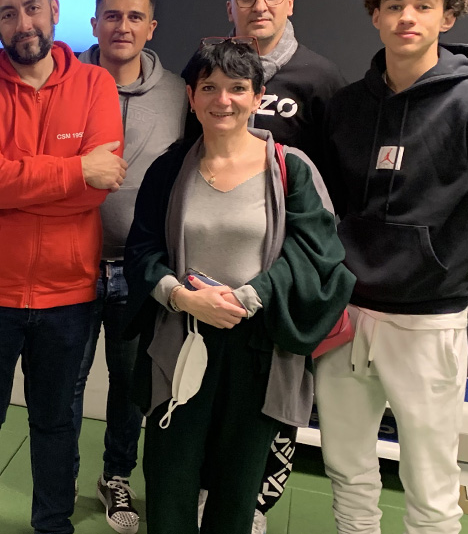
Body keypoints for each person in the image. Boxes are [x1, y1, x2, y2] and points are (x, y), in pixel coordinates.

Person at [316, 0, 468, 534]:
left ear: (448, 16)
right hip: (346, 314)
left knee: (430, 480)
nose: (407, 17)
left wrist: (438, 252)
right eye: (394, 5)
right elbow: (330, 200)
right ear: (376, 16)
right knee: (345, 465)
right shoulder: (347, 107)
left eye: (423, 5)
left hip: (427, 319)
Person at [125, 39, 354, 534]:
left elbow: (317, 254)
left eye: (237, 88)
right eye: (209, 87)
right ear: (191, 96)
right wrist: (182, 297)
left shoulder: (290, 169)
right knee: (169, 477)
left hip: (257, 349)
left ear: (258, 96)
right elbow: (141, 253)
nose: (222, 100)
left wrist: (251, 297)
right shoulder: (169, 170)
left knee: (237, 486)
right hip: (182, 342)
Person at [0, 0, 125, 534]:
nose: (22, 22)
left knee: (55, 424)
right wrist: (74, 171)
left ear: (54, 10)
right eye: (7, 13)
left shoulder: (96, 85)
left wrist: (9, 184)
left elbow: (96, 193)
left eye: (31, 7)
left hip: (68, 294)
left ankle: (53, 525)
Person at [224, 0, 347, 532]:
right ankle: (212, 491)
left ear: (290, 2)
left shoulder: (321, 79)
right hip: (219, 264)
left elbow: (336, 188)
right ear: (231, 8)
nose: (259, 5)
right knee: (214, 392)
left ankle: (255, 504)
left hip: (285, 271)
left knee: (279, 395)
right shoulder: (212, 71)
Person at [70, 0, 187, 534]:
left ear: (151, 27)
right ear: (94, 22)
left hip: (137, 270)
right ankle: (56, 472)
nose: (122, 26)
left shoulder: (179, 94)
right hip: (68, 266)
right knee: (63, 381)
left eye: (134, 17)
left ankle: (116, 476)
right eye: (112, 15)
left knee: (129, 386)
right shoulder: (61, 77)